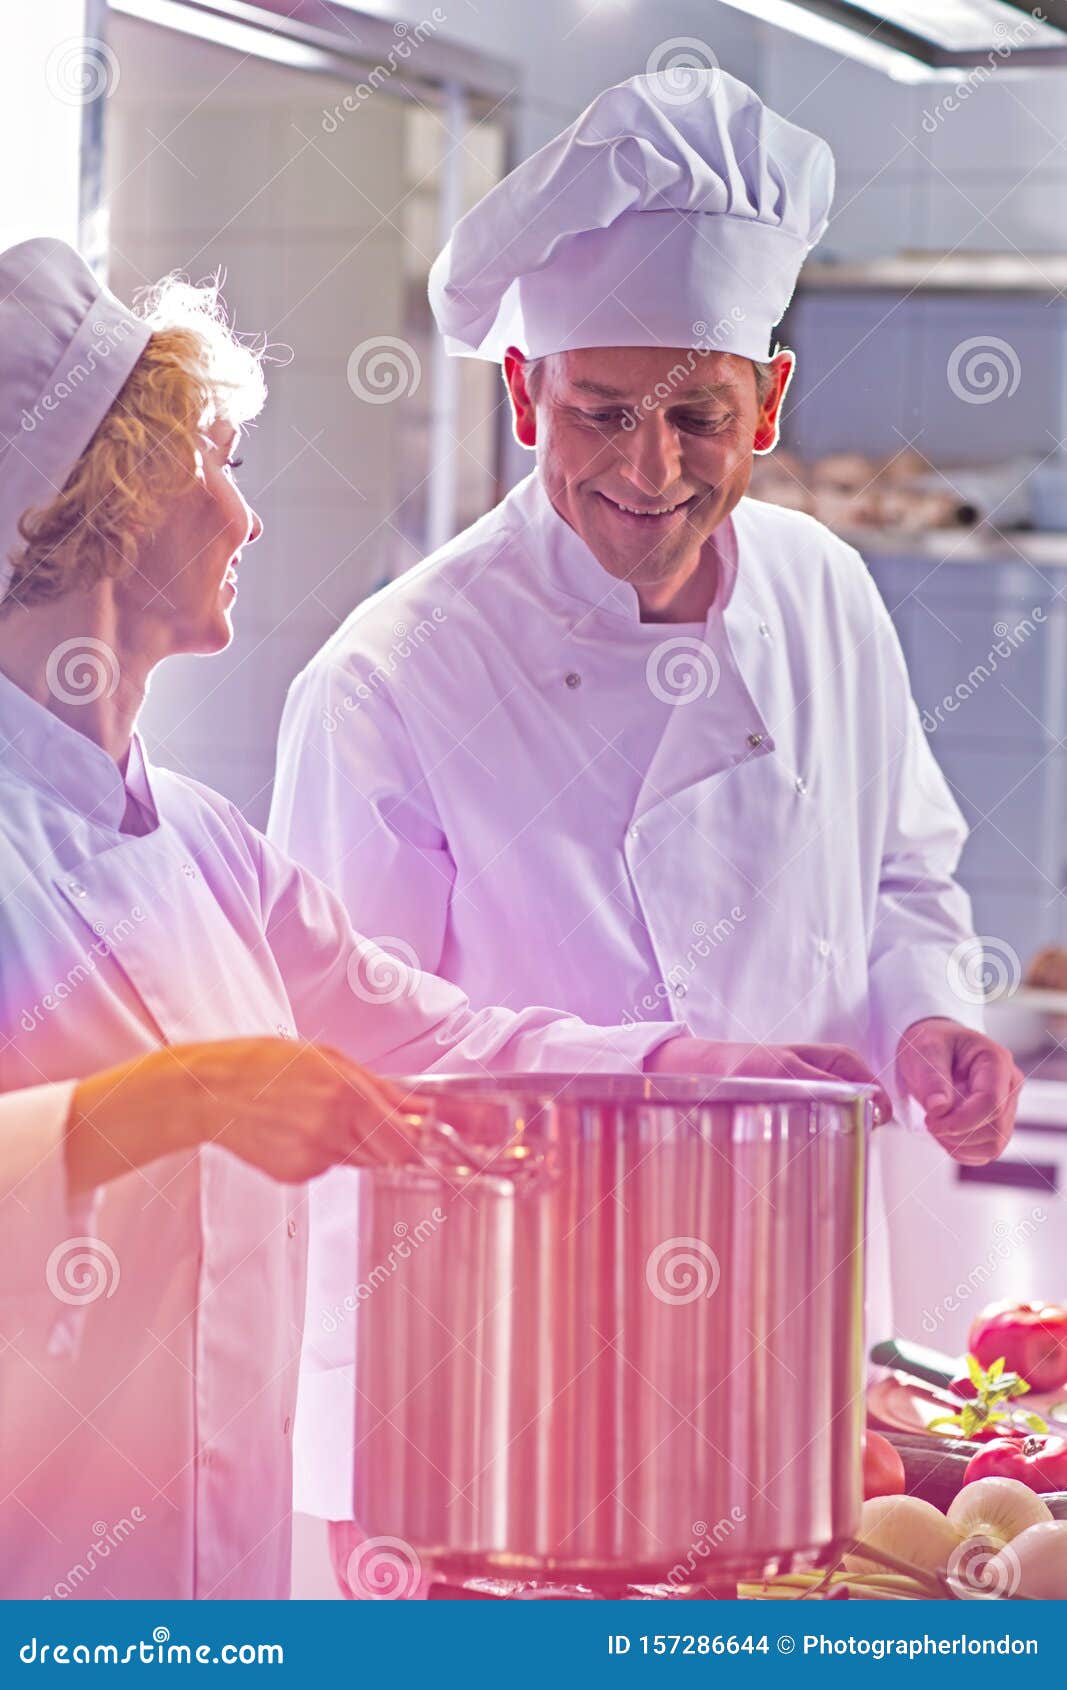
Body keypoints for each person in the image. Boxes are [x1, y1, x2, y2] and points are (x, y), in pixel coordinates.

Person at [0, 236, 885, 1600]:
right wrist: (176, 1098)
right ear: (102, 507)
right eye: (214, 468)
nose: (245, 517)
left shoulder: (200, 844)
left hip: (213, 1586)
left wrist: (682, 1065)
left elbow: (441, 1031)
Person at [268, 70, 1022, 1588]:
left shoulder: (826, 596)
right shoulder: (394, 675)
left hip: (793, 1344)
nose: (651, 467)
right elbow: (360, 1059)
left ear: (775, 400)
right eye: (604, 413)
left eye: (701, 414)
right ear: (527, 391)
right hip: (501, 1380)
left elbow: (899, 876)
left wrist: (928, 1013)